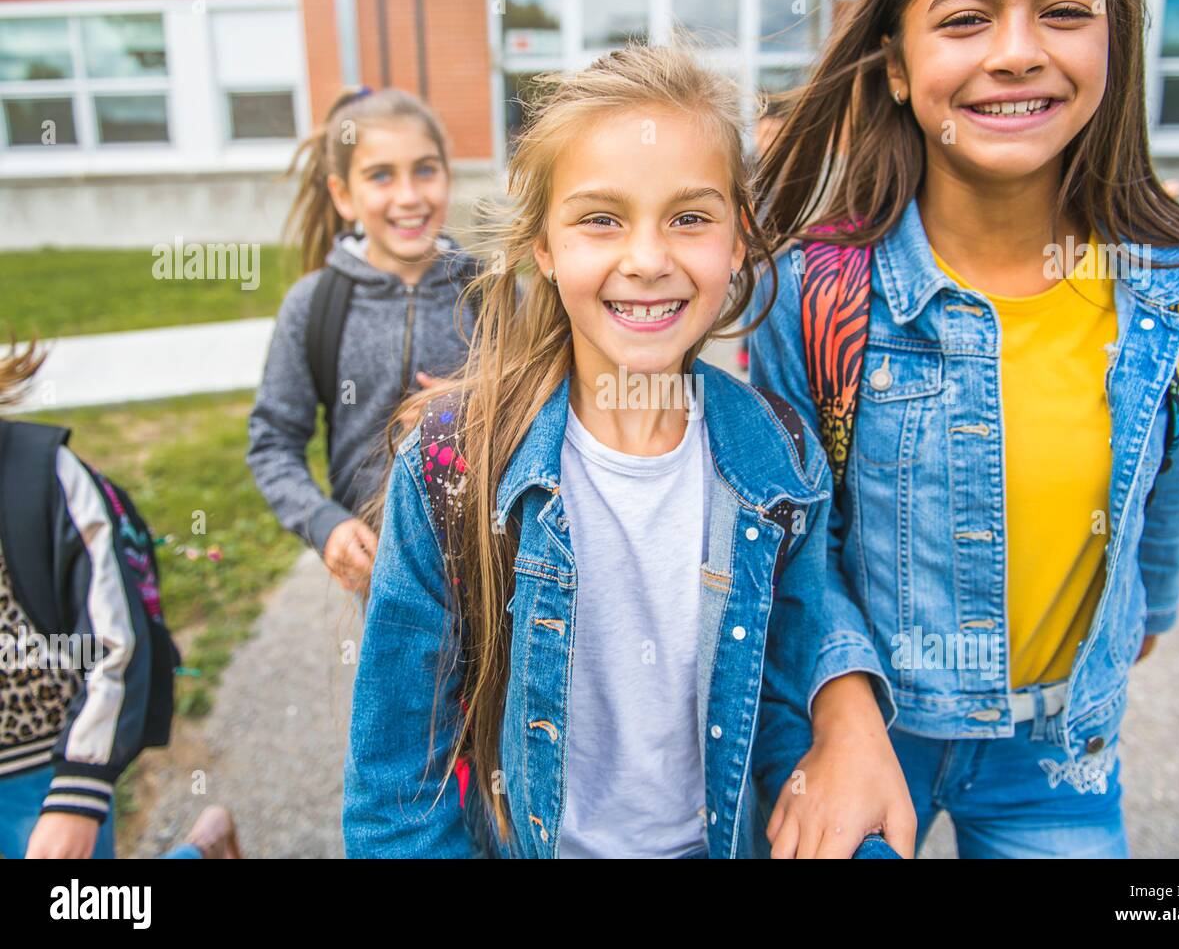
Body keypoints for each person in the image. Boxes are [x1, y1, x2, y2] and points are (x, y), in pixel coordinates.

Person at [343, 45, 913, 859]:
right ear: (543, 245)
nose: (647, 260)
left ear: (739, 239)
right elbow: (397, 790)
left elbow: (784, 717)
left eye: (688, 217)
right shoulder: (450, 471)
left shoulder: (780, 462)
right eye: (601, 218)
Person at [749, 0, 1179, 857]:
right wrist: (846, 715)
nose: (1018, 50)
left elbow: (1170, 489)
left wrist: (1150, 613)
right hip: (854, 724)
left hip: (1055, 754)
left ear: (1115, 39)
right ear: (896, 67)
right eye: (967, 19)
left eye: (1064, 11)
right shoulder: (816, 290)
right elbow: (793, 541)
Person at [0, 338, 240, 859]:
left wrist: (78, 789)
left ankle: (200, 852)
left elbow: (115, 643)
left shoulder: (45, 478)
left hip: (42, 774)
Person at [248, 87, 477, 593]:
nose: (409, 196)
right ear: (343, 194)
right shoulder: (314, 306)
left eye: (425, 169)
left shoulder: (493, 294)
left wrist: (475, 409)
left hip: (489, 567)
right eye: (380, 176)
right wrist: (324, 524)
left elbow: (554, 408)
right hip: (377, 578)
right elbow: (272, 443)